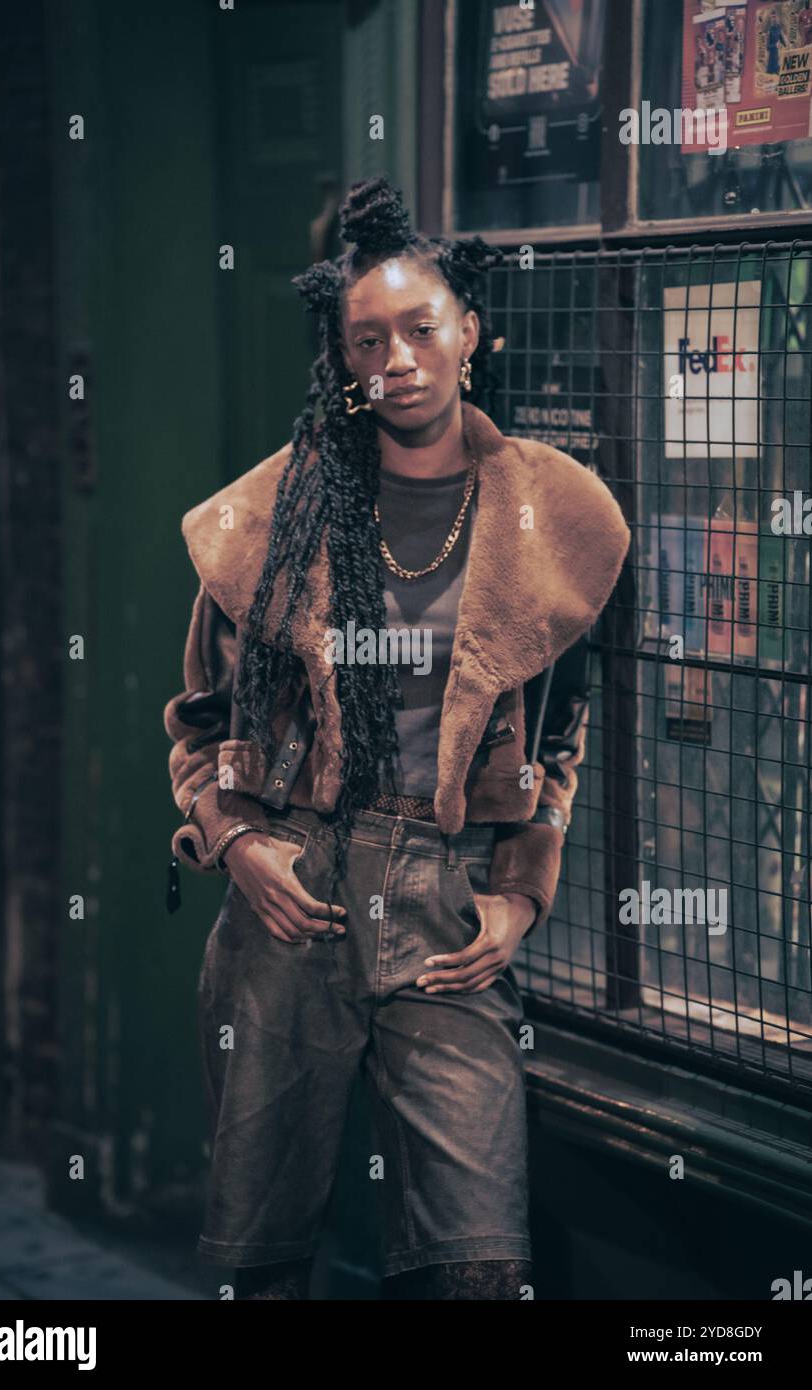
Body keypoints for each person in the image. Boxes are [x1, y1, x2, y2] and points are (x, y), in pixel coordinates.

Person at [164, 176, 630, 1300]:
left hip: (448, 902)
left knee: (478, 1268)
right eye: (367, 339)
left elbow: (560, 733)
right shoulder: (272, 515)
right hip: (294, 891)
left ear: (471, 333)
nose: (399, 357)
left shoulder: (553, 514)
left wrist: (521, 888)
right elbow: (203, 720)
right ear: (342, 358)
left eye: (422, 328)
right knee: (259, 1258)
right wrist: (234, 842)